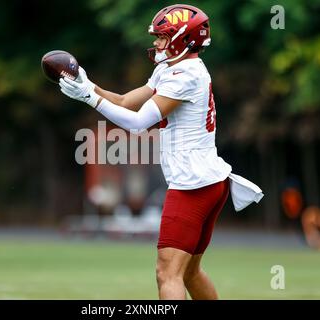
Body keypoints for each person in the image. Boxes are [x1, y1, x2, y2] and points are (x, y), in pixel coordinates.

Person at [59, 4, 263, 300]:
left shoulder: (185, 75)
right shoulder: (172, 69)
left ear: (183, 39)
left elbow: (139, 122)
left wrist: (90, 100)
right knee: (189, 272)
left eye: (163, 37)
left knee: (167, 273)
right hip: (208, 180)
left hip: (193, 184)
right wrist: (88, 85)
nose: (156, 42)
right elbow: (127, 101)